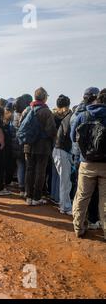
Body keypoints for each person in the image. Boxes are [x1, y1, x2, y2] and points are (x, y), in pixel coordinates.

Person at [70, 88, 106, 239]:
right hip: (105, 164)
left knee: (82, 197)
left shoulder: (83, 115)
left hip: (86, 162)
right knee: (105, 200)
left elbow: (73, 137)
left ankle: (79, 228)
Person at [20, 87, 57, 206]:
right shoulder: (47, 111)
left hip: (28, 145)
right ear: (45, 98)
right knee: (40, 172)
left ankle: (28, 196)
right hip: (42, 146)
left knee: (29, 170)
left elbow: (21, 126)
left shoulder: (27, 109)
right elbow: (51, 130)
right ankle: (36, 197)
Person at [52, 95, 73, 215]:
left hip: (58, 149)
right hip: (61, 150)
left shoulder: (57, 116)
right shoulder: (68, 116)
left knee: (64, 181)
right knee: (65, 181)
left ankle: (63, 205)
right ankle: (64, 207)